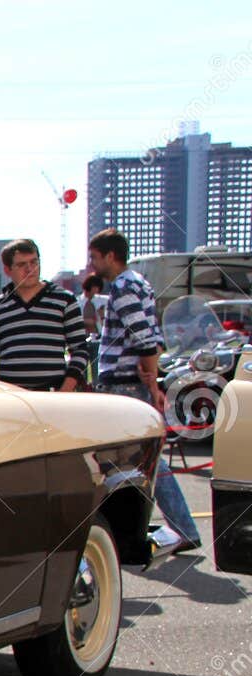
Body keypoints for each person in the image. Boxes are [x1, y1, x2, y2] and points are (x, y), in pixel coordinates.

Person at [89, 228, 202, 551]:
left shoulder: (123, 287)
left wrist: (151, 383)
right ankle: (156, 527)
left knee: (138, 460)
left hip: (123, 383)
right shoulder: (140, 283)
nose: (93, 264)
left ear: (110, 256)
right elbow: (153, 336)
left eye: (95, 258)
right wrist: (152, 382)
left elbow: (143, 337)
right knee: (139, 459)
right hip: (130, 381)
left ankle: (165, 528)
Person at [0, 240, 87, 391]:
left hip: (53, 393)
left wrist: (64, 392)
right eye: (21, 265)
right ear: (7, 270)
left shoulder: (65, 300)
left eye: (34, 262)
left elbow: (80, 350)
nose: (30, 269)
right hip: (11, 396)